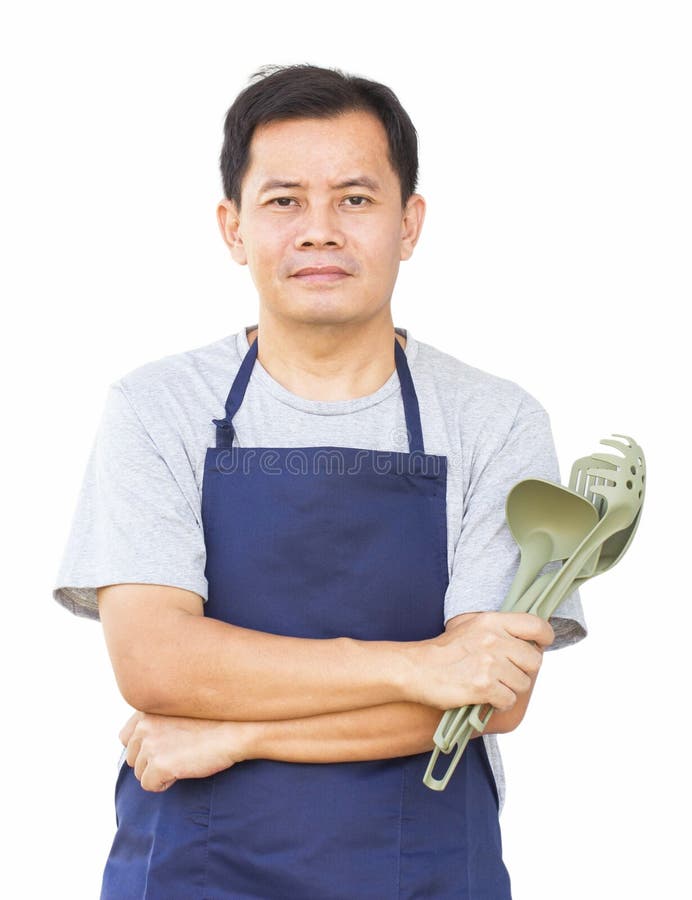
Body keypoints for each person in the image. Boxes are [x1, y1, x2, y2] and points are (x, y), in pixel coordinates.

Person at [53, 63, 587, 899]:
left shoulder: (497, 421)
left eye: (355, 198)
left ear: (409, 223)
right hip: (196, 869)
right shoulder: (157, 408)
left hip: (427, 870)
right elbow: (156, 663)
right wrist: (423, 666)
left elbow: (488, 700)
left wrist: (235, 733)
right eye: (283, 201)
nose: (319, 230)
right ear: (232, 227)